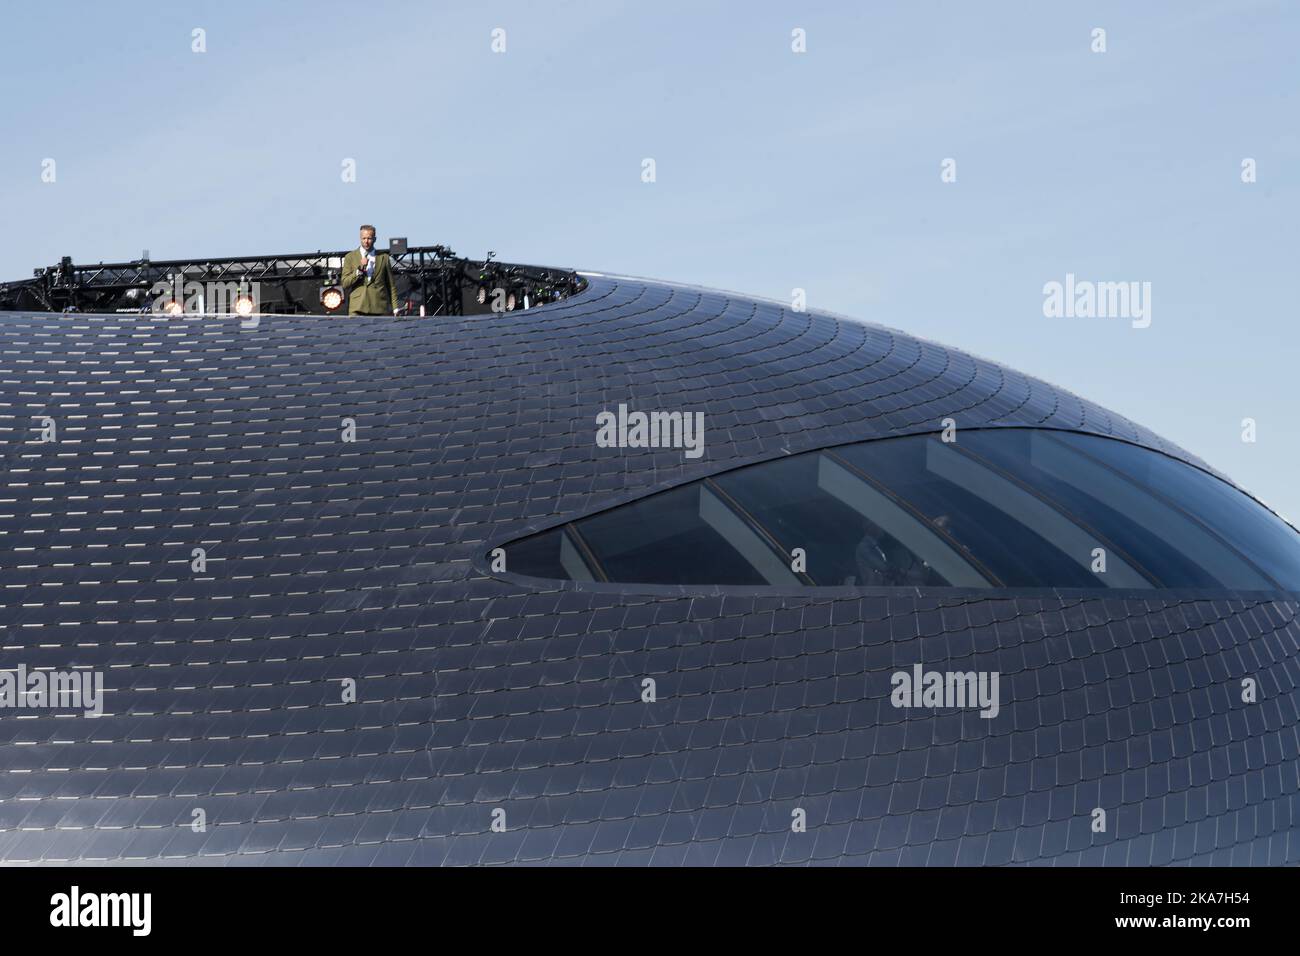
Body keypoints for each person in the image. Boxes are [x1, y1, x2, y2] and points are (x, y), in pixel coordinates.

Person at [341, 225, 399, 316]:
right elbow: (344, 283)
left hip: (379, 307)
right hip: (357, 308)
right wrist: (358, 270)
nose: (366, 241)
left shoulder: (384, 258)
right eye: (363, 238)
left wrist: (395, 308)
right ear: (360, 238)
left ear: (375, 239)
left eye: (369, 238)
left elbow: (391, 285)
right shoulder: (350, 257)